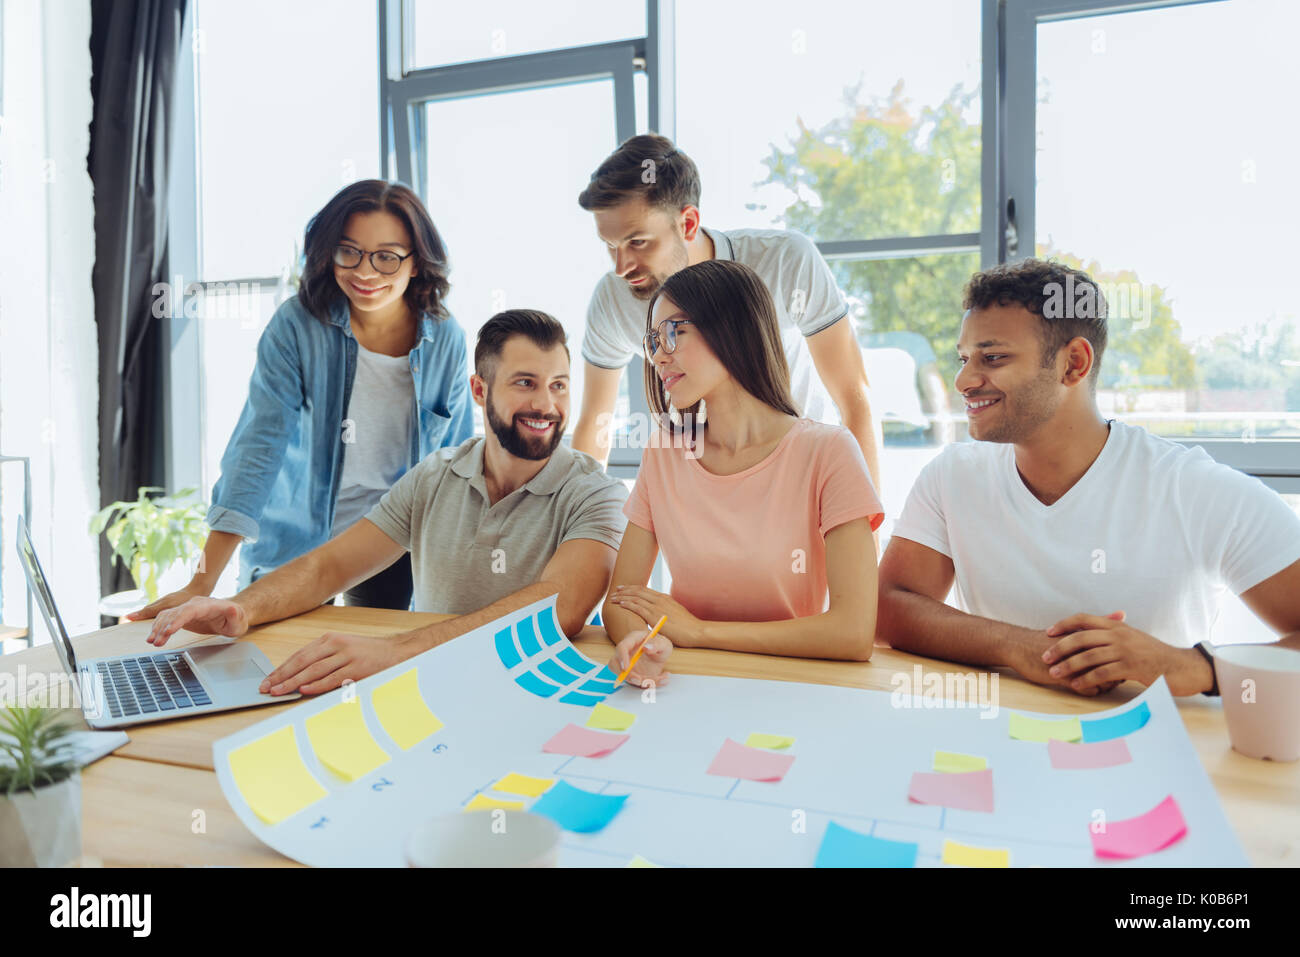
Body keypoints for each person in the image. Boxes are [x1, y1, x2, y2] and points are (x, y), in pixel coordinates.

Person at [141, 311, 628, 696]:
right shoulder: (435, 475)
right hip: (431, 691)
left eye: (559, 385)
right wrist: (240, 608)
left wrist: (398, 650)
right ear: (479, 390)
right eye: (526, 383)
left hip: (534, 696)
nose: (546, 405)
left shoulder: (595, 493)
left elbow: (558, 608)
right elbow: (329, 568)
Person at [877, 259, 1300, 696]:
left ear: (1073, 364)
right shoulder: (952, 477)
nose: (963, 380)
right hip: (999, 740)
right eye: (964, 358)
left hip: (1157, 744)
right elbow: (888, 607)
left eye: (994, 357)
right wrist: (1020, 647)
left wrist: (1196, 667)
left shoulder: (1200, 490)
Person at [129, 180, 473, 616]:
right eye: (349, 251)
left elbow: (455, 464)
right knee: (270, 661)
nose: (365, 273)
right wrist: (202, 581)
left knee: (382, 669)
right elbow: (258, 446)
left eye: (387, 257)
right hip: (299, 538)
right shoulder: (296, 325)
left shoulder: (445, 338)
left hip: (393, 539)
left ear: (417, 262)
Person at [600, 260, 883, 688]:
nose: (658, 354)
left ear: (731, 328)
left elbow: (854, 633)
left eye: (674, 332)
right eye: (653, 340)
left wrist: (698, 632)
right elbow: (621, 600)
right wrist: (640, 641)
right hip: (688, 681)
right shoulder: (665, 451)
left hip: (791, 686)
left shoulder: (828, 452)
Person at [571, 134, 882, 491]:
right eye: (610, 246)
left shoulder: (785, 262)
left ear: (687, 223)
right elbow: (596, 423)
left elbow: (854, 399)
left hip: (799, 481)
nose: (621, 267)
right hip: (701, 494)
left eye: (637, 242)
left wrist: (868, 534)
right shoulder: (613, 300)